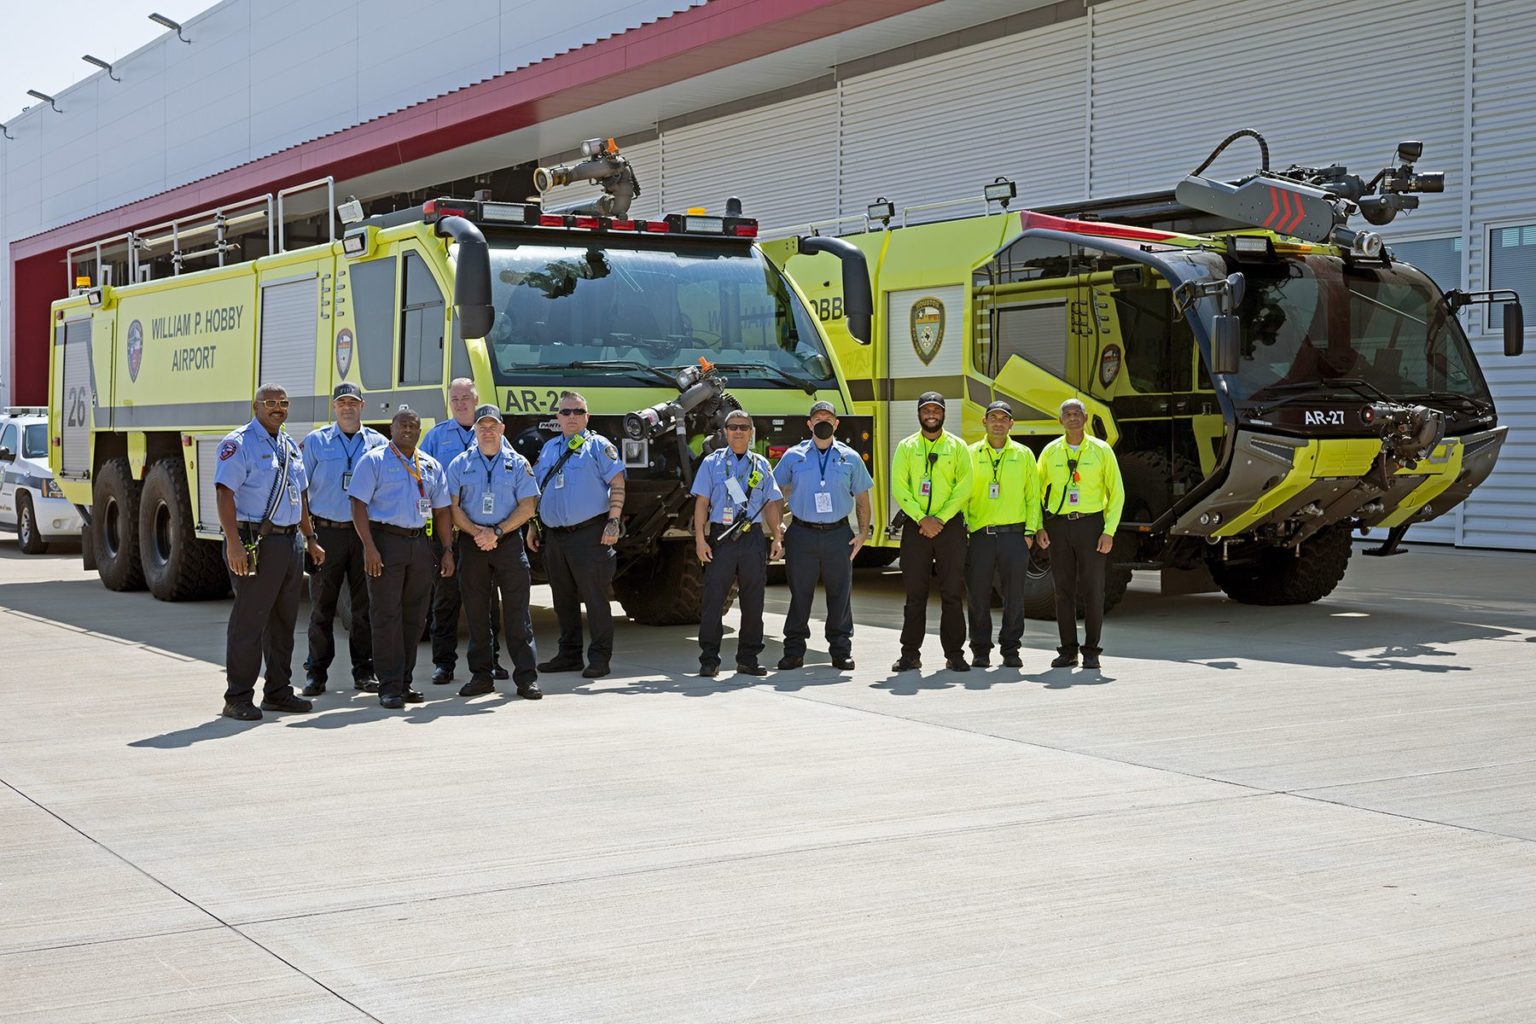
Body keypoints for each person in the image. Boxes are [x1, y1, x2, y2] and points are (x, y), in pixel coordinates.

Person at [214, 383, 322, 720]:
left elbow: (299, 496)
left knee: (283, 623)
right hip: (255, 543)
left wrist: (310, 537)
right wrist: (233, 543)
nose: (277, 408)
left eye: (283, 403)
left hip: (289, 544)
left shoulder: (289, 445)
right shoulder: (239, 443)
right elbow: (224, 494)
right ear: (256, 405)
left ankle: (278, 691)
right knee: (249, 621)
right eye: (270, 402)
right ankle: (238, 697)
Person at [348, 408, 455, 709]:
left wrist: (447, 549)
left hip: (420, 544)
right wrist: (368, 547)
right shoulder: (374, 461)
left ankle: (405, 682)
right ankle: (389, 686)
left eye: (413, 425)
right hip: (384, 542)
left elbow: (442, 510)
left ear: (420, 431)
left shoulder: (431, 466)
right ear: (391, 428)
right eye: (402, 424)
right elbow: (357, 505)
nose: (408, 429)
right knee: (386, 617)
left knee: (415, 618)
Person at [527, 390, 626, 680]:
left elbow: (617, 483)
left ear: (587, 416)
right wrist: (534, 525)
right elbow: (538, 490)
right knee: (563, 599)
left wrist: (613, 522)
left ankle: (599, 658)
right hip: (555, 537)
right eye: (566, 412)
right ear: (558, 418)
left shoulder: (599, 446)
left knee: (595, 599)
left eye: (578, 412)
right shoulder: (549, 449)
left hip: (590, 534)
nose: (572, 417)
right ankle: (569, 654)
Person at [446, 404, 543, 699]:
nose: (487, 431)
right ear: (474, 431)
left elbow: (528, 506)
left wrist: (497, 532)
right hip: (472, 545)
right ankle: (481, 677)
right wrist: (478, 533)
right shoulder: (459, 464)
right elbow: (453, 507)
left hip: (508, 544)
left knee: (517, 614)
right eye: (481, 427)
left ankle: (526, 678)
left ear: (502, 429)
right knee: (476, 614)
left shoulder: (518, 463)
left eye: (492, 426)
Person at [300, 383, 387, 696]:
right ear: (333, 408)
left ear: (363, 406)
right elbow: (300, 491)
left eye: (353, 402)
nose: (347, 407)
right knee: (322, 608)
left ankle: (364, 671)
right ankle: (316, 673)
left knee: (364, 609)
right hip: (327, 535)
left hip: (364, 536)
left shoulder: (379, 443)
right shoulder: (315, 442)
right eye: (341, 403)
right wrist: (309, 535)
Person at [772, 400, 872, 671]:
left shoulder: (850, 457)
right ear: (810, 424)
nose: (823, 421)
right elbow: (774, 492)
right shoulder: (794, 456)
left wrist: (862, 534)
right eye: (818, 417)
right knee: (800, 595)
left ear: (837, 423)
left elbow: (862, 499)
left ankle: (840, 651)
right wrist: (776, 529)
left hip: (838, 534)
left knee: (840, 595)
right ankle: (794, 651)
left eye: (828, 417)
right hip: (801, 534)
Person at [420, 378, 504, 686]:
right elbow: (421, 475)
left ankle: (491, 660)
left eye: (465, 398)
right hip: (450, 533)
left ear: (476, 398)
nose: (459, 404)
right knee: (446, 599)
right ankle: (444, 664)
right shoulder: (436, 436)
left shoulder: (491, 430)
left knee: (487, 599)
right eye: (454, 399)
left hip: (484, 532)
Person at [691, 408, 784, 677]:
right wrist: (700, 539)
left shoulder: (762, 465)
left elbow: (770, 504)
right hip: (722, 537)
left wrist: (777, 535)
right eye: (733, 427)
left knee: (754, 602)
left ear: (751, 432)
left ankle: (748, 659)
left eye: (744, 427)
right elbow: (702, 503)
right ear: (725, 432)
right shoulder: (712, 463)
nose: (739, 431)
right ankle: (709, 659)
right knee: (713, 601)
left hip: (752, 538)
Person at [1035, 398, 1124, 670]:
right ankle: (1068, 650)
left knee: (1093, 590)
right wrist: (1039, 526)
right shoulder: (1050, 452)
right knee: (1062, 591)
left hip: (1091, 526)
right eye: (1067, 414)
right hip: (1059, 526)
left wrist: (1108, 531)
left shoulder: (1101, 450)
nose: (1072, 418)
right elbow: (1035, 492)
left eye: (1077, 413)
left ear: (1085, 418)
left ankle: (1092, 651)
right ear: (1060, 420)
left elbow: (1117, 493)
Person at [889, 392, 973, 672]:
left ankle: (955, 654)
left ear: (944, 413)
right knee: (915, 596)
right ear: (919, 413)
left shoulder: (958, 447)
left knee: (951, 593)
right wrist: (922, 518)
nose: (931, 414)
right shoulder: (906, 447)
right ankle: (910, 654)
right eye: (926, 410)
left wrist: (941, 519)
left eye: (937, 409)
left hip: (949, 529)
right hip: (917, 529)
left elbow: (964, 487)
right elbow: (900, 487)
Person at [965, 400, 1041, 668]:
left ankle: (1011, 649)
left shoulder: (1024, 455)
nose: (998, 422)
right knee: (978, 596)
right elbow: (961, 494)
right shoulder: (970, 453)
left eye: (1003, 418)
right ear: (983, 421)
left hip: (1014, 536)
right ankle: (980, 649)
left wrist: (1030, 531)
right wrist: (965, 529)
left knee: (1014, 596)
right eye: (993, 417)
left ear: (1012, 424)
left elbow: (1033, 497)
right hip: (980, 536)